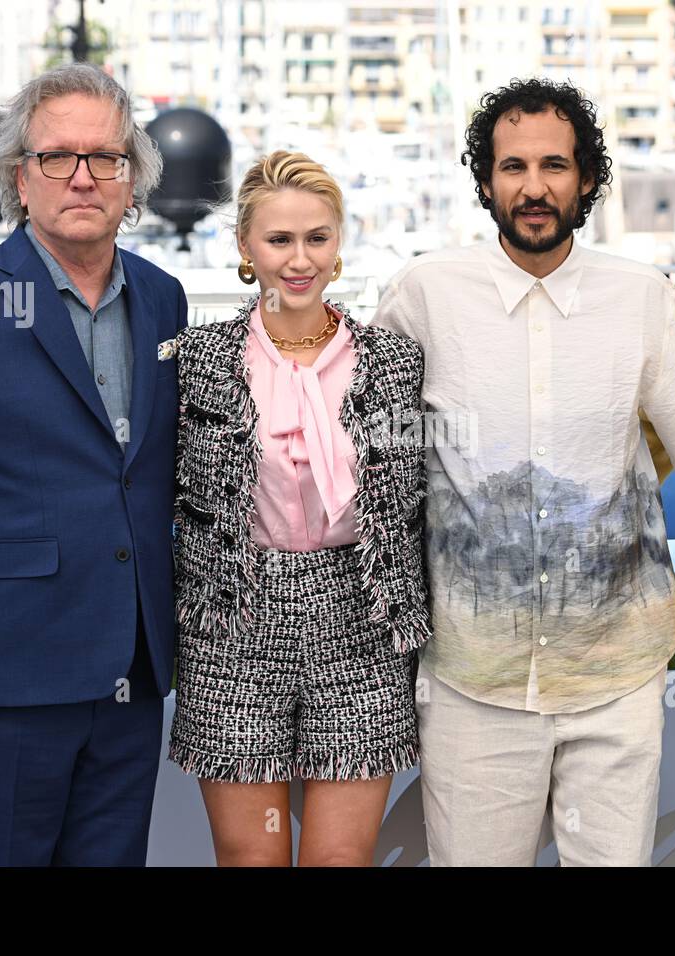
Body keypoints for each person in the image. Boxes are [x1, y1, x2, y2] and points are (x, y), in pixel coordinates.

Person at [373, 78, 675, 866]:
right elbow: (371, 455)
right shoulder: (423, 295)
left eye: (555, 165)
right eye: (513, 167)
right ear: (486, 180)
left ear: (587, 177)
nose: (534, 187)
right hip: (469, 680)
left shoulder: (642, 299)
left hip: (618, 674)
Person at [0, 63, 186, 865]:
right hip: (2, 682)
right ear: (21, 175)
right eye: (58, 157)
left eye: (105, 158)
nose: (83, 177)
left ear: (132, 177)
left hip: (133, 674)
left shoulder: (164, 298)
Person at [168, 150, 430, 867]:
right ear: (247, 249)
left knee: (339, 862)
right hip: (233, 619)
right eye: (279, 240)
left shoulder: (394, 363)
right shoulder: (197, 360)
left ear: (338, 244)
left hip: (362, 620)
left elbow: (423, 499)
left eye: (316, 237)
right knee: (252, 861)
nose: (299, 258)